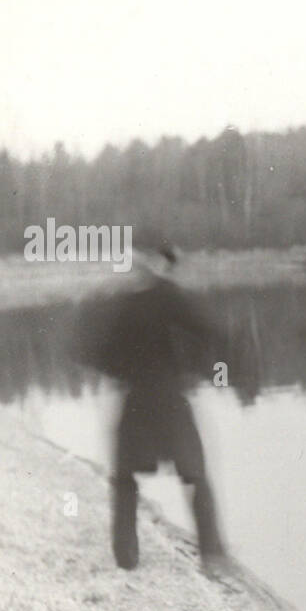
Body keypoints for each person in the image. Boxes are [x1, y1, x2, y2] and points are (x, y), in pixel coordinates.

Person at [72, 237, 230, 573]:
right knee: (194, 475)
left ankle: (126, 557)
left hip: (136, 399)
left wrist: (119, 371)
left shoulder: (121, 300)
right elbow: (209, 331)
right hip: (169, 398)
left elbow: (92, 351)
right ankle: (212, 555)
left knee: (126, 478)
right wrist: (193, 370)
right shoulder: (167, 295)